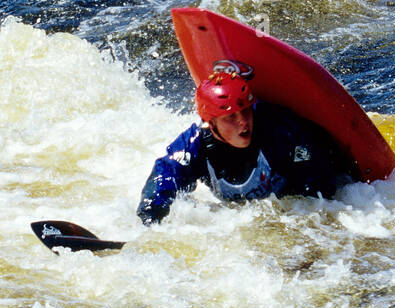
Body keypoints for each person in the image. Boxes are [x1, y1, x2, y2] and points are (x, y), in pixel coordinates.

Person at [137, 62, 356, 225]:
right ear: (210, 124)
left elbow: (321, 193)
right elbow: (165, 176)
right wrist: (150, 222)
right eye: (230, 116)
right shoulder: (193, 145)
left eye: (245, 111)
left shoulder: (279, 133)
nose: (243, 121)